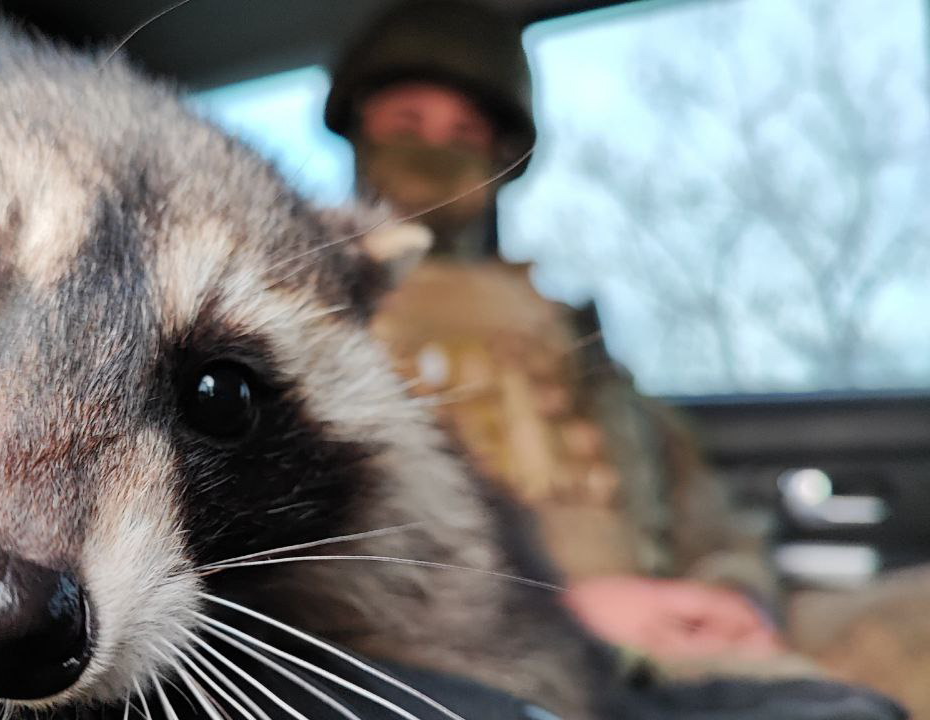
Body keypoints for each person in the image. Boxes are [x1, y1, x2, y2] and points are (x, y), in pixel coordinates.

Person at [326, 0, 790, 674]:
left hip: (677, 646)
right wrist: (568, 610)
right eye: (407, 121)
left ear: (500, 159)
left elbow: (706, 517)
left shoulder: (571, 339)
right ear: (360, 128)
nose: (434, 147)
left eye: (464, 132)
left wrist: (738, 599)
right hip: (485, 661)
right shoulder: (325, 318)